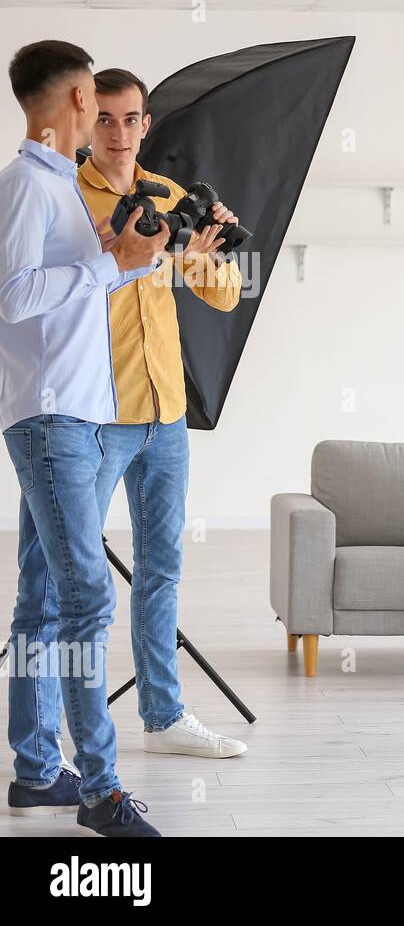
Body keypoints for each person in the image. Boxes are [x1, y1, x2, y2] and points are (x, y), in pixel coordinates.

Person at [1, 40, 168, 835]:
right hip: (51, 419)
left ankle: (37, 773)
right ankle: (100, 793)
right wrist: (106, 269)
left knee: (42, 600)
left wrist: (131, 260)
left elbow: (68, 292)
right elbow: (11, 298)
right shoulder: (29, 188)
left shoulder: (58, 189)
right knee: (86, 597)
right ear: (76, 101)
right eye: (94, 102)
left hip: (69, 415)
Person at [74, 66, 246, 758]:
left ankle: (164, 714)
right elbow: (64, 296)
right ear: (88, 123)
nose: (119, 132)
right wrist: (147, 259)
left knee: (161, 569)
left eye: (131, 119)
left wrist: (201, 255)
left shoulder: (169, 195)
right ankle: (63, 734)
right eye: (106, 118)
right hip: (95, 415)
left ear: (147, 125)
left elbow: (227, 296)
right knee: (75, 580)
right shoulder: (65, 200)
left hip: (165, 416)